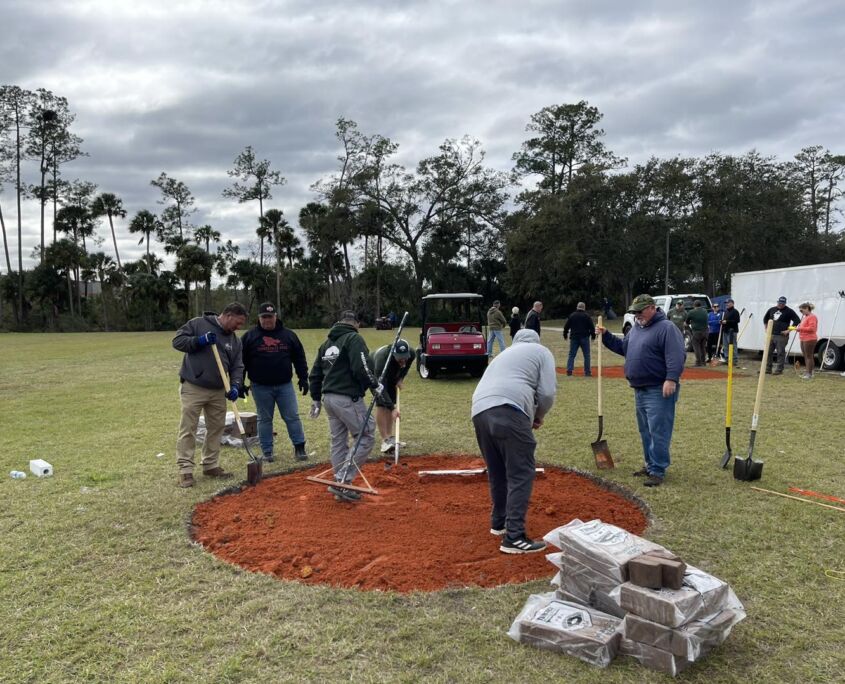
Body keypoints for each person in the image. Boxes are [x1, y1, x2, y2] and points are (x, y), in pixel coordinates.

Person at [471, 329, 556, 554]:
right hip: (510, 410)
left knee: (497, 471)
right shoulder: (541, 351)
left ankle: (499, 523)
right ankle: (514, 537)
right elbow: (547, 393)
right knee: (521, 472)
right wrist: (538, 415)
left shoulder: (504, 354)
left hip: (479, 411)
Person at [598, 294, 685, 487]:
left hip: (658, 389)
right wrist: (606, 336)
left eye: (640, 311)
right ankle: (650, 464)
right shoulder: (636, 328)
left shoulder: (667, 328)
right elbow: (624, 348)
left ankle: (657, 470)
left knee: (658, 431)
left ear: (652, 308)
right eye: (634, 312)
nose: (637, 315)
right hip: (639, 389)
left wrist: (671, 379)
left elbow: (676, 355)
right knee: (645, 430)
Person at [308, 310, 382, 502]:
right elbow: (361, 367)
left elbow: (315, 374)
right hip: (347, 398)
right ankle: (342, 480)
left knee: (339, 441)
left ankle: (338, 480)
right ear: (356, 323)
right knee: (365, 436)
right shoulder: (353, 338)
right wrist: (374, 384)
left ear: (340, 322)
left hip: (329, 400)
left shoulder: (326, 344)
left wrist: (316, 398)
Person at [172, 303, 247, 488]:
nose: (238, 327)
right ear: (228, 315)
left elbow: (237, 366)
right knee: (188, 428)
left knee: (216, 427)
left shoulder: (235, 341)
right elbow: (177, 342)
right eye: (237, 323)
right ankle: (185, 470)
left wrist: (235, 385)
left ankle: (210, 465)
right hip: (194, 387)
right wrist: (199, 341)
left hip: (218, 390)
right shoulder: (198, 324)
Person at [241, 302, 309, 463]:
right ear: (259, 318)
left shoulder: (289, 335)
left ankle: (299, 448)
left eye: (270, 317)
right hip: (259, 386)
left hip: (284, 385)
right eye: (264, 317)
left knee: (292, 416)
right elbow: (241, 362)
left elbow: (299, 358)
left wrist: (303, 378)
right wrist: (239, 382)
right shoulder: (249, 337)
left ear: (275, 317)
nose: (267, 320)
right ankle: (267, 452)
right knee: (264, 419)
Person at [371, 338, 412, 453]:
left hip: (391, 372)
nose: (403, 360)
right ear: (393, 354)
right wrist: (393, 409)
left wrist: (400, 378)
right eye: (400, 358)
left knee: (391, 401)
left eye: (405, 357)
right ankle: (385, 440)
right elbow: (381, 388)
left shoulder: (411, 354)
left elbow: (407, 366)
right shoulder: (382, 359)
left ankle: (390, 437)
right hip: (375, 374)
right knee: (382, 404)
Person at [763, 296, 801, 375]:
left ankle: (779, 369)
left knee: (780, 352)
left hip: (781, 335)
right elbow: (765, 319)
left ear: (785, 303)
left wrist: (788, 330)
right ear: (777, 302)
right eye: (779, 303)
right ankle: (768, 369)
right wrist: (766, 328)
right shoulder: (772, 309)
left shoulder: (789, 311)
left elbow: (797, 320)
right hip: (771, 334)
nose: (780, 305)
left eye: (782, 303)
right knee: (768, 352)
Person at [563, 302, 595, 376]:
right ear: (584, 308)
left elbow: (566, 326)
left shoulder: (572, 315)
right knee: (586, 355)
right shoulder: (587, 316)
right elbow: (591, 327)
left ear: (577, 307)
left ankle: (569, 370)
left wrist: (565, 335)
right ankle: (587, 372)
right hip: (584, 337)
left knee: (572, 354)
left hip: (574, 337)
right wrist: (593, 336)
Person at [795, 302, 818, 380]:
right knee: (806, 356)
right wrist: (798, 328)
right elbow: (804, 327)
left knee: (809, 356)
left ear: (807, 309)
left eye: (802, 310)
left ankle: (809, 374)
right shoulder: (805, 317)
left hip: (810, 339)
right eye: (800, 311)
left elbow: (812, 329)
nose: (801, 312)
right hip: (803, 338)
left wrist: (800, 328)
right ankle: (809, 371)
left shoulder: (812, 317)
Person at [686, 300, 708, 367]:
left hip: (696, 332)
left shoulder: (691, 312)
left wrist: (690, 322)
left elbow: (687, 321)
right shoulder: (705, 311)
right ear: (700, 305)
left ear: (694, 305)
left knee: (696, 347)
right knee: (703, 347)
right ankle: (703, 362)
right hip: (705, 332)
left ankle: (698, 362)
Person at [720, 299, 741, 364]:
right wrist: (722, 321)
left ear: (732, 303)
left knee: (733, 345)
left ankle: (734, 360)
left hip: (732, 331)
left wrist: (726, 322)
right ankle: (727, 359)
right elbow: (725, 320)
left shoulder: (735, 311)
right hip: (725, 330)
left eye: (728, 303)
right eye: (726, 303)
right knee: (725, 346)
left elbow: (737, 321)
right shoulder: (726, 311)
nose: (726, 304)